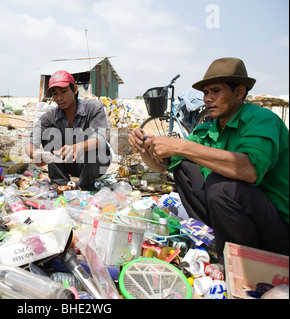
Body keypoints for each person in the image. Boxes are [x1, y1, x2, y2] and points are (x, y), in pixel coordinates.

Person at [129, 57, 289, 261]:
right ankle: (225, 244)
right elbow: (161, 167)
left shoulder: (261, 120)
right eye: (205, 93)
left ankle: (244, 262)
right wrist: (144, 148)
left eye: (216, 91)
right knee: (184, 167)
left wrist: (183, 145)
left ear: (239, 92)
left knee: (221, 186)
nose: (207, 99)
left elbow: (249, 170)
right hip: (240, 222)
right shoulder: (208, 130)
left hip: (277, 230)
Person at [25, 70, 112, 191]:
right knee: (49, 135)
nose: (59, 97)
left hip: (96, 165)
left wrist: (78, 147)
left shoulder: (93, 108)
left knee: (93, 146)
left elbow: (101, 138)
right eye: (55, 94)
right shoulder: (50, 117)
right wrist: (33, 155)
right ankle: (60, 183)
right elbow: (32, 140)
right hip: (69, 163)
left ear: (75, 90)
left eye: (64, 91)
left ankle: (85, 186)